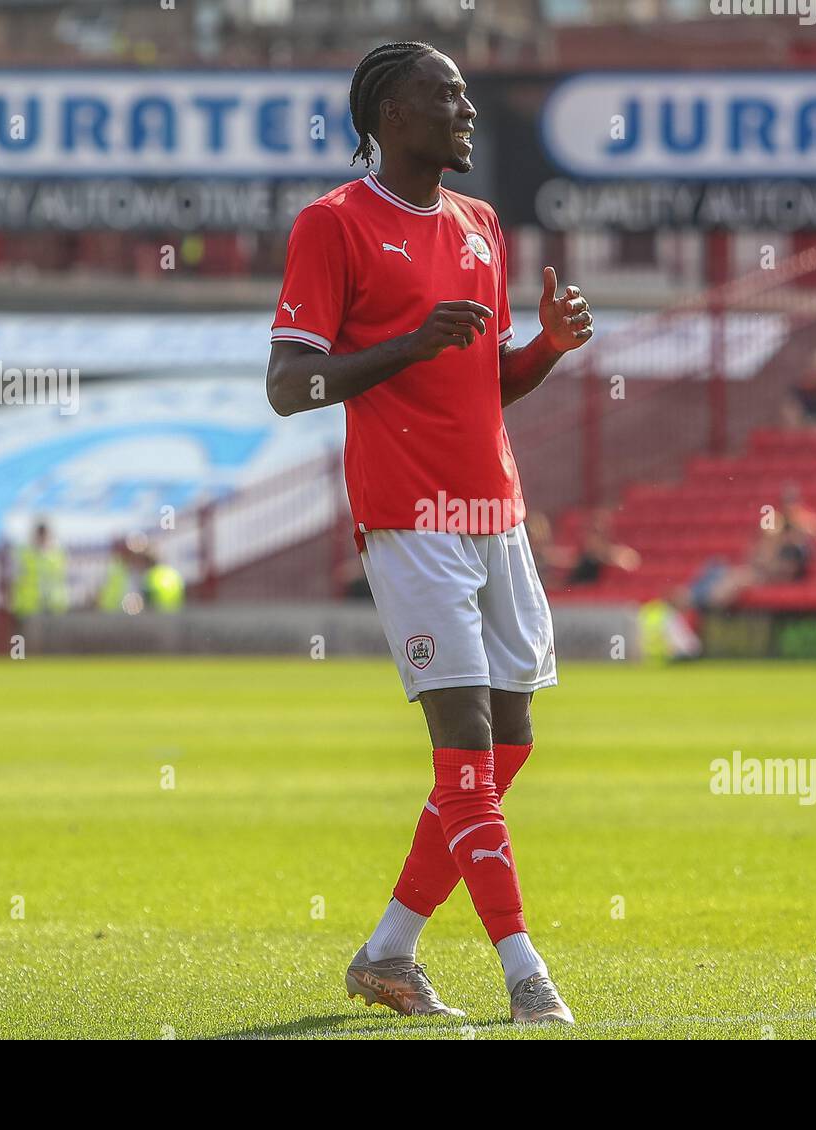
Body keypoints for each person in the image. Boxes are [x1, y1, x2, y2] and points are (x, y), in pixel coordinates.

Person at [266, 42, 595, 1025]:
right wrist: (404, 343)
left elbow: (484, 377)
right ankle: (526, 975)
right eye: (444, 95)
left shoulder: (483, 225)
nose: (466, 111)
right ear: (388, 115)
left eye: (462, 95)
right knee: (464, 751)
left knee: (510, 746)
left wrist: (546, 346)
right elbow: (289, 387)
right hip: (409, 518)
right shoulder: (333, 224)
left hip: (495, 512)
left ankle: (387, 951)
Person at [566, 507, 641, 586]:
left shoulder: (613, 550)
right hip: (583, 576)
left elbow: (630, 562)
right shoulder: (586, 554)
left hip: (594, 579)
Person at [10, 519, 69, 617]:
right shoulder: (25, 556)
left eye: (44, 535)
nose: (42, 538)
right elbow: (15, 581)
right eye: (40, 535)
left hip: (54, 608)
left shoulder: (57, 556)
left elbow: (61, 581)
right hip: (29, 609)